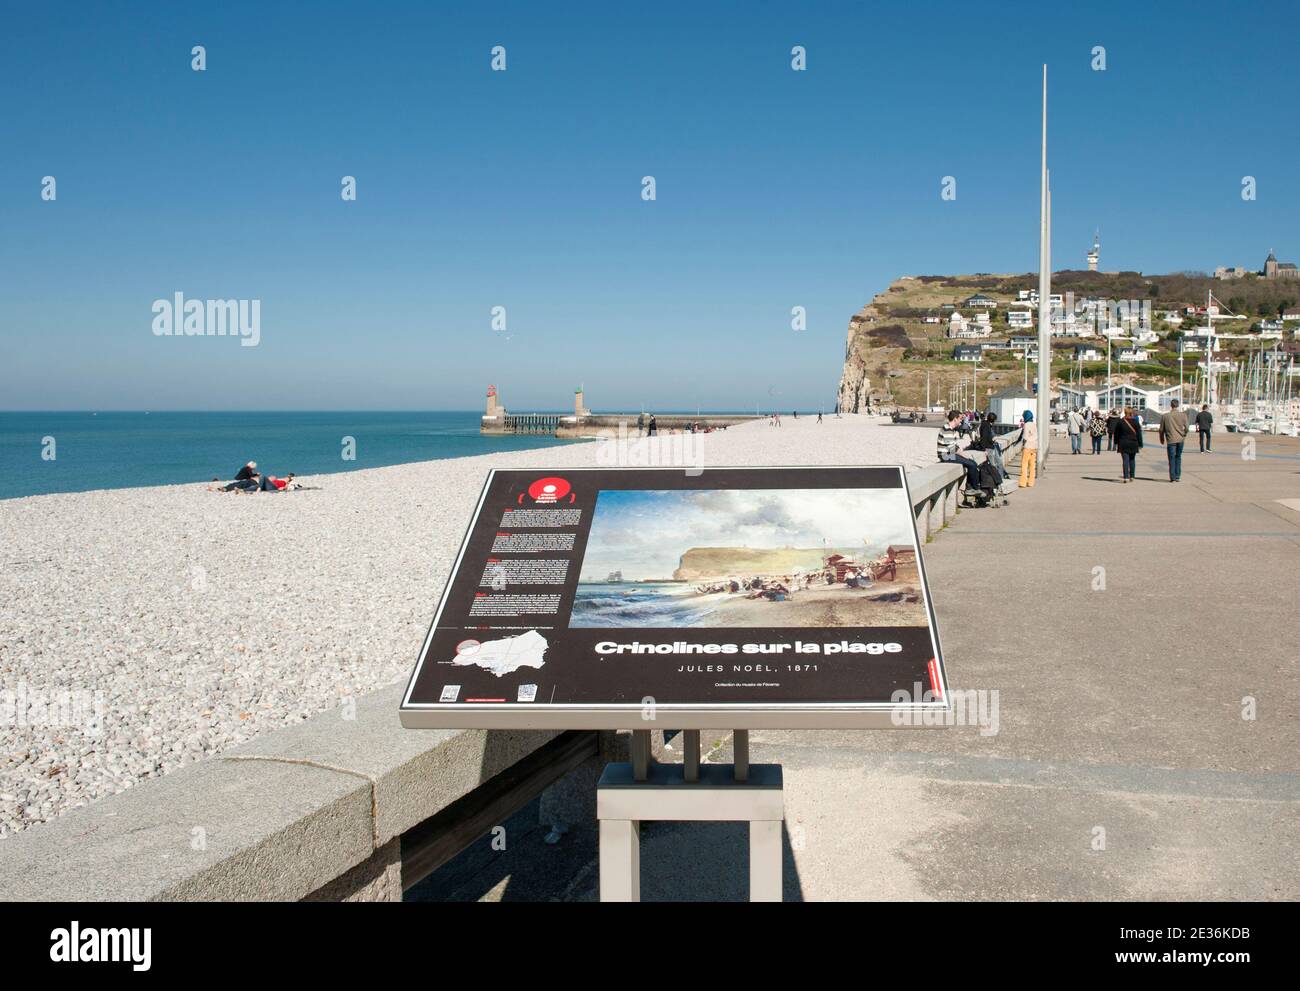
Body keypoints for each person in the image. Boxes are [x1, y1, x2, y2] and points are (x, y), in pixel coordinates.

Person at [937, 410, 982, 488]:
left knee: (972, 463)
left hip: (948, 454)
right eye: (960, 418)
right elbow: (953, 448)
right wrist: (965, 456)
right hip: (945, 456)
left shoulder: (950, 428)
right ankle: (973, 487)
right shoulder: (947, 429)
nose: (961, 421)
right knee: (972, 464)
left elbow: (954, 446)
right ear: (955, 419)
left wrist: (963, 454)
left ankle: (971, 486)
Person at [1159, 399, 1189, 483]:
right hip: (1180, 439)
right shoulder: (1183, 415)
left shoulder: (1165, 416)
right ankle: (1177, 476)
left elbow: (1161, 429)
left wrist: (1161, 438)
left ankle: (1172, 477)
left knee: (1171, 458)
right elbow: (1187, 428)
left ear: (1171, 405)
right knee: (1178, 457)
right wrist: (1184, 434)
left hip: (1171, 439)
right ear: (1178, 405)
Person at [1115, 406, 1143, 483]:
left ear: (1125, 412)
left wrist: (1116, 442)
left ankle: (1126, 477)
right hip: (1133, 443)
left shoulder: (1120, 422)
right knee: (1132, 459)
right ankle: (1132, 476)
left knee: (1125, 460)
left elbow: (1116, 433)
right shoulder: (1135, 422)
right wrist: (1140, 444)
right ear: (1132, 413)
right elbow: (1139, 434)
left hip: (1123, 443)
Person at [1018, 410, 1038, 488]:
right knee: (1032, 466)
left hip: (1027, 447)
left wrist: (1022, 445)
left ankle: (1023, 482)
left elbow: (1025, 437)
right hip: (1034, 447)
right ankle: (1031, 482)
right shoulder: (1034, 424)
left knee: (1024, 465)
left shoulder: (1026, 425)